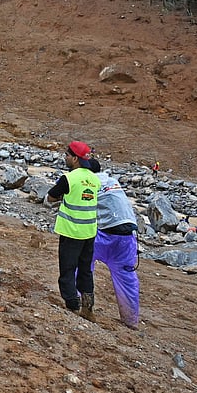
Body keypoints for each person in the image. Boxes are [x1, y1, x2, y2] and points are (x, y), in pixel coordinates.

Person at [46, 140, 100, 319]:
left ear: (75, 159)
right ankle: (87, 305)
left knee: (68, 269)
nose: (65, 158)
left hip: (71, 231)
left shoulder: (68, 178)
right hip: (89, 232)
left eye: (67, 155)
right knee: (85, 269)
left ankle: (72, 304)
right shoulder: (94, 179)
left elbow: (51, 197)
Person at [87, 158, 141, 329]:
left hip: (103, 235)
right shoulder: (112, 181)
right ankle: (130, 320)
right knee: (127, 278)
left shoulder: (88, 183)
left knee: (82, 266)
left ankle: (80, 303)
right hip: (128, 236)